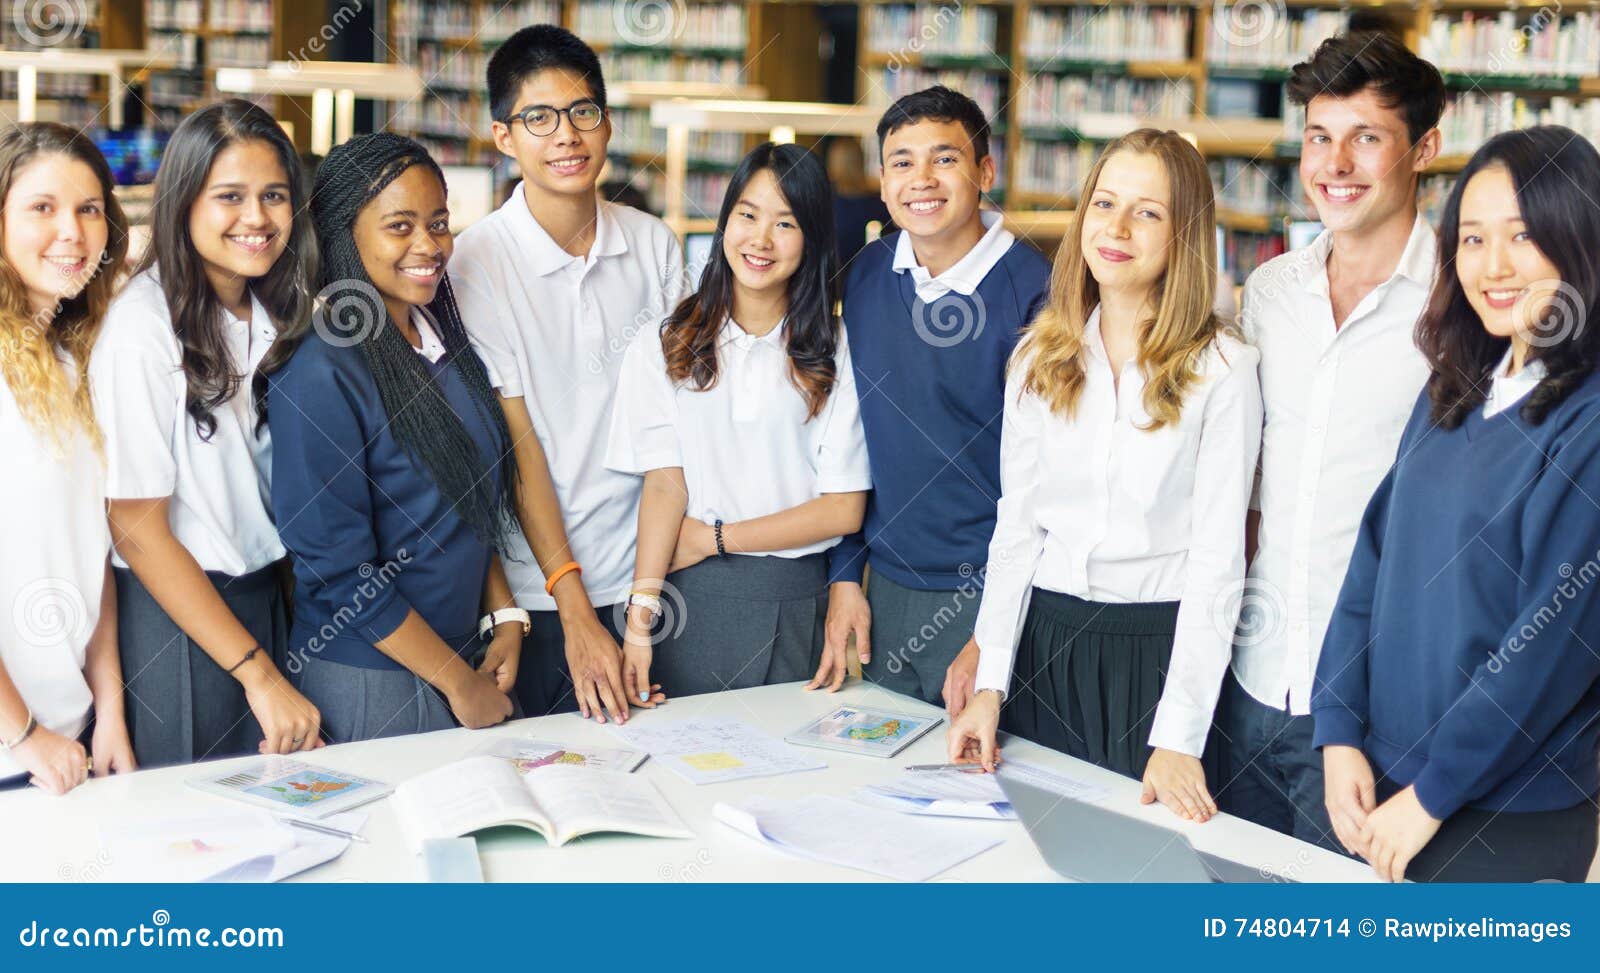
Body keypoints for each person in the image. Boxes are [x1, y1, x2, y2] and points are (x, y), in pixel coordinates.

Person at [946, 129, 1262, 825]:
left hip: (1154, 656)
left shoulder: (1223, 369)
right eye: (1104, 203)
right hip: (1043, 649)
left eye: (1146, 212)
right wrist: (990, 683)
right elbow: (1016, 530)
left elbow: (1219, 561)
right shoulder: (1039, 355)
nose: (1115, 228)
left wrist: (1179, 736)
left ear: (1184, 235)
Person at [1314, 126, 1600, 883]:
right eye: (1472, 238)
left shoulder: (1590, 423)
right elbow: (1370, 567)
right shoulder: (1451, 390)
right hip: (1380, 792)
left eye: (1524, 236)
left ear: (1581, 243)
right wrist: (1338, 729)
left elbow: (1548, 650)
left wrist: (1431, 795)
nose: (1493, 266)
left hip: (1504, 820)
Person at [1220, 31, 1445, 852]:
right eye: (1320, 136)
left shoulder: (1463, 307)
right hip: (1248, 683)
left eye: (1367, 138)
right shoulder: (1271, 291)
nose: (1335, 163)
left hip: (1380, 709)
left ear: (1424, 148)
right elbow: (1245, 486)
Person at [451, 25, 687, 724]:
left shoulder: (653, 245)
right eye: (539, 118)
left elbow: (675, 429)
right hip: (538, 593)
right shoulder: (475, 262)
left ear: (608, 123)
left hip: (654, 579)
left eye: (583, 112)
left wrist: (643, 597)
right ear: (503, 137)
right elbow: (517, 444)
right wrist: (574, 608)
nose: (566, 136)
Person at [269, 133, 523, 743]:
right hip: (371, 679)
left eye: (439, 223)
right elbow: (338, 571)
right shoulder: (322, 366)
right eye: (399, 226)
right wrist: (460, 686)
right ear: (343, 233)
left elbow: (466, 494)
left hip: (460, 657)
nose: (429, 246)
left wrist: (506, 612)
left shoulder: (439, 338)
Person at [90, 100, 321, 767]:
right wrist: (259, 674)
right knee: (189, 841)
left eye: (274, 195)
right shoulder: (141, 328)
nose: (257, 218)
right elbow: (136, 525)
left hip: (260, 595)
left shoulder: (272, 307)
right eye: (230, 197)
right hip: (177, 614)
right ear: (183, 202)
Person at [606, 142, 870, 700]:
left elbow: (844, 508)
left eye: (785, 223)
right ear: (725, 220)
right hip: (687, 598)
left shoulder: (838, 349)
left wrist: (716, 538)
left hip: (796, 599)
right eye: (747, 215)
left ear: (813, 239)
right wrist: (639, 620)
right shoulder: (665, 343)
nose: (761, 239)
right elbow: (663, 485)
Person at [822, 86, 1051, 702]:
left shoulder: (1039, 292)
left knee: (981, 785)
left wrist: (991, 634)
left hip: (993, 596)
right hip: (885, 589)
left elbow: (1049, 480)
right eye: (902, 162)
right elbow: (852, 438)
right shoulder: (868, 273)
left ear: (984, 172)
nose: (921, 178)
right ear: (882, 179)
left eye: (944, 159)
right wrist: (847, 574)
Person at [0, 123, 133, 793]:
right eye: (42, 208)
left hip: (70, 735)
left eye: (89, 208)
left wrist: (106, 707)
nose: (73, 232)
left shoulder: (75, 361)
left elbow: (91, 551)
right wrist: (24, 734)